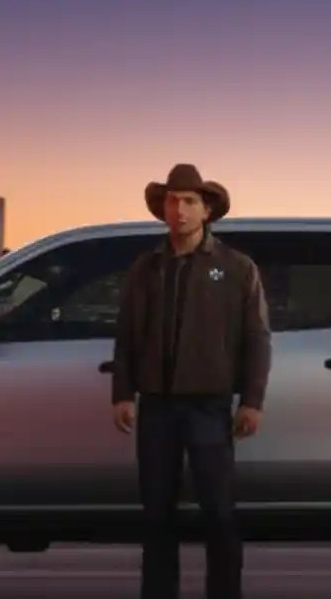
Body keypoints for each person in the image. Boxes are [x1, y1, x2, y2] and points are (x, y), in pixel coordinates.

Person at [110, 163, 272, 599]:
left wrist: (251, 400)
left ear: (206, 210)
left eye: (188, 201)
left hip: (209, 407)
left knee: (218, 513)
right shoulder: (145, 269)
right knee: (156, 515)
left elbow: (257, 338)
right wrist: (123, 393)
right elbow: (126, 334)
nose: (178, 210)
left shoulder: (235, 268)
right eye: (171, 200)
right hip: (157, 408)